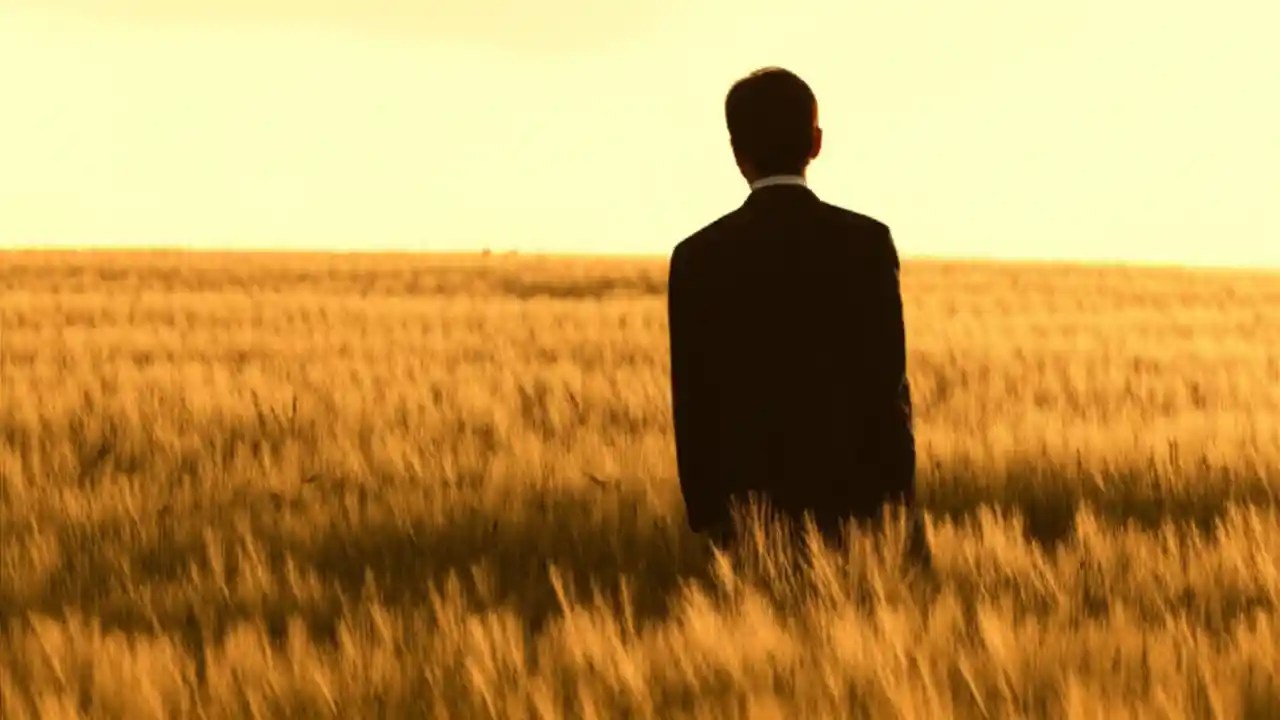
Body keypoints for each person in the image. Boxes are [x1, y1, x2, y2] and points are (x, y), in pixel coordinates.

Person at [667, 67, 927, 561]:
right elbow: (887, 385)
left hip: (745, 514)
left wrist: (709, 516)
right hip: (855, 508)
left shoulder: (698, 256)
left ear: (736, 150)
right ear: (816, 142)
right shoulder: (866, 243)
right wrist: (899, 508)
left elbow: (692, 399)